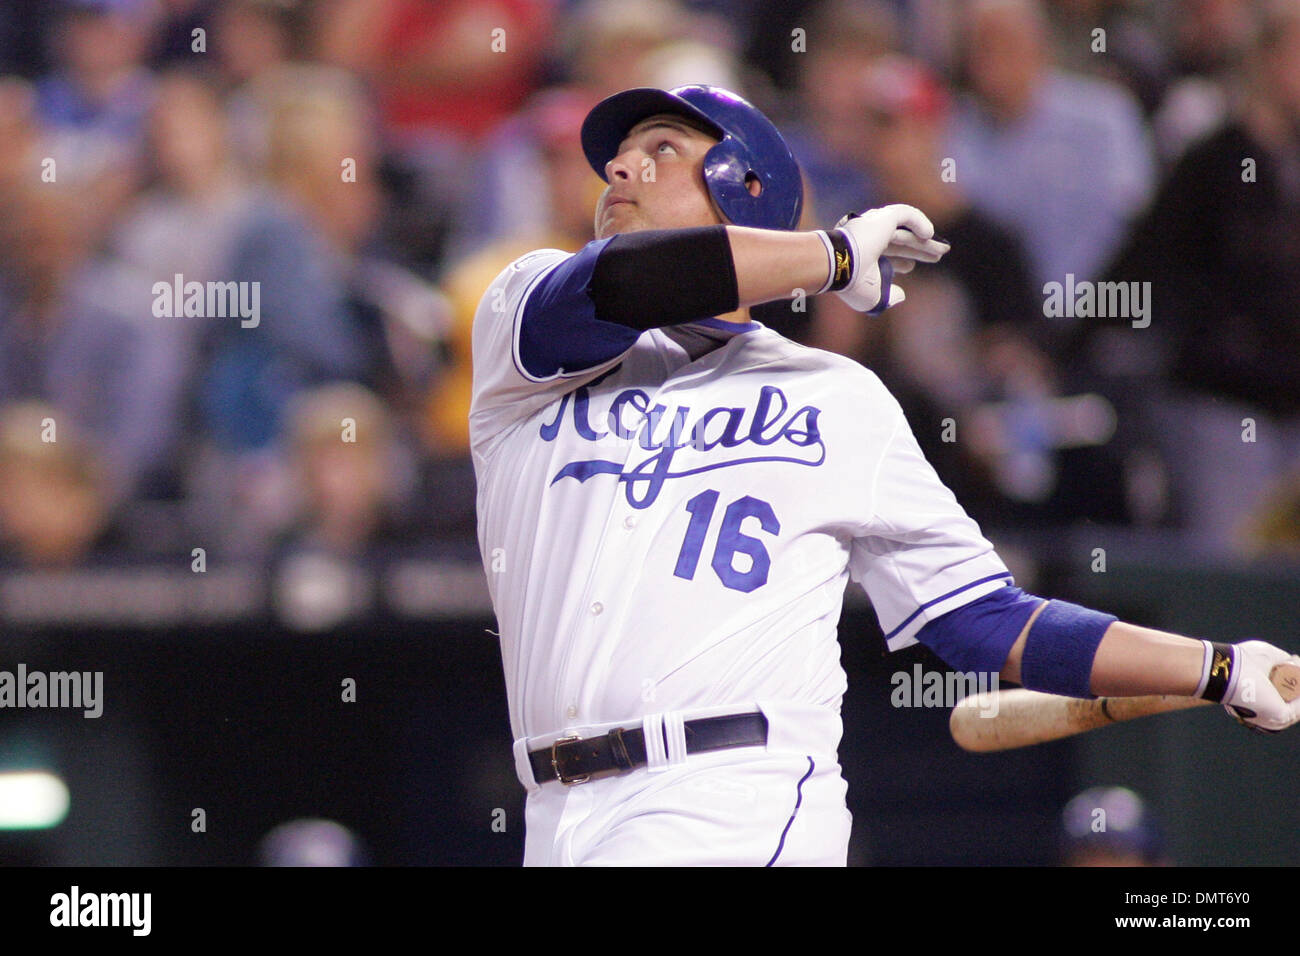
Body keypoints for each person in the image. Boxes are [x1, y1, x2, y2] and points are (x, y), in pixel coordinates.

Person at [468, 84, 1300, 867]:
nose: (618, 168)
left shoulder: (836, 398)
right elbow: (623, 282)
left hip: (732, 794)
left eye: (659, 147)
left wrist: (1217, 666)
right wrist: (830, 256)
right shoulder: (526, 322)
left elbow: (984, 621)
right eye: (616, 157)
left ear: (743, 182)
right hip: (558, 813)